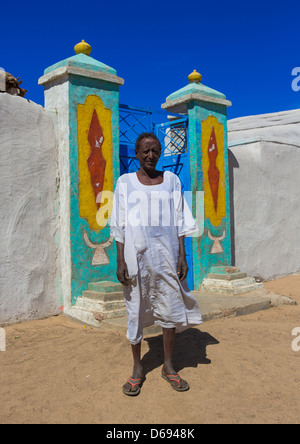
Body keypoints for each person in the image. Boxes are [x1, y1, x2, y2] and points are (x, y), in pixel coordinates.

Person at [110, 132, 202, 396]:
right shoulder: (125, 183)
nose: (151, 155)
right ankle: (138, 367)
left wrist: (182, 256)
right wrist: (119, 260)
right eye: (145, 151)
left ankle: (169, 366)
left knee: (170, 307)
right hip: (136, 258)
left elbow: (181, 218)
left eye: (156, 151)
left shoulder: (171, 180)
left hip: (167, 256)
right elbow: (119, 223)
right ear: (137, 154)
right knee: (136, 310)